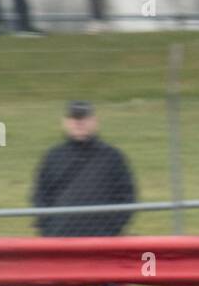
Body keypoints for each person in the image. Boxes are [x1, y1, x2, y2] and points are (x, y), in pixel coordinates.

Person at [32, 101, 135, 237]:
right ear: (65, 122)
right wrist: (50, 229)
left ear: (94, 121)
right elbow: (40, 196)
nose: (79, 123)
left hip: (102, 239)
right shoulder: (53, 157)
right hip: (60, 237)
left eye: (84, 118)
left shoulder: (112, 157)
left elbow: (127, 196)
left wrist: (112, 228)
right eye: (74, 118)